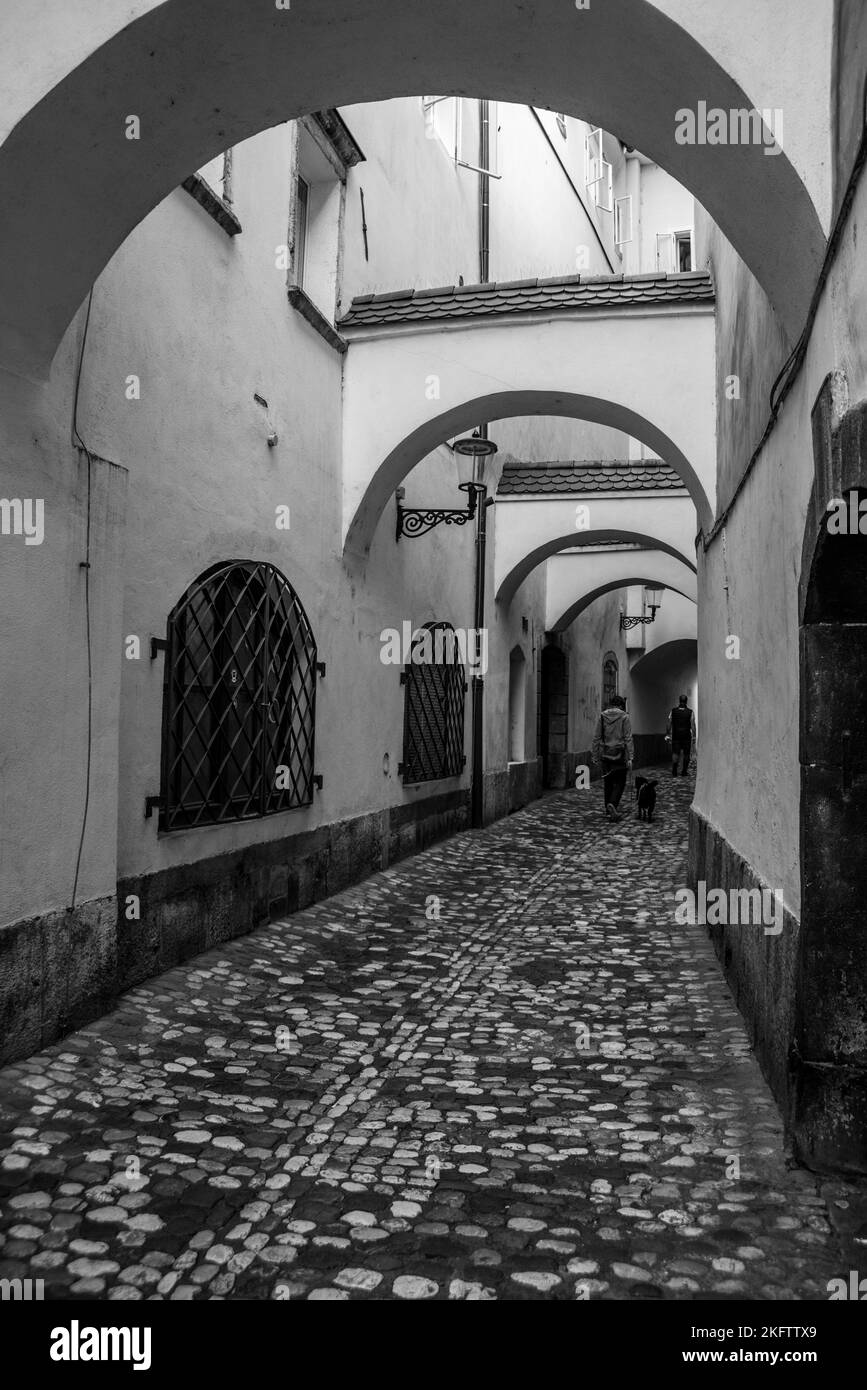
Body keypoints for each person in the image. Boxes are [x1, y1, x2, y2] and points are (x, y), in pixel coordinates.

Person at [592, 693, 634, 821]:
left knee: (608, 782)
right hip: (620, 754)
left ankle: (607, 810)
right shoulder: (624, 717)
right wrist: (631, 756)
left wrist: (594, 755)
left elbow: (596, 738)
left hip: (605, 754)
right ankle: (613, 803)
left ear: (611, 704)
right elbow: (628, 738)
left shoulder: (602, 716)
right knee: (620, 782)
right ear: (621, 705)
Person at [667, 694, 696, 776]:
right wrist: (694, 736)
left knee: (675, 753)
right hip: (686, 735)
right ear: (686, 701)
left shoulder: (673, 711)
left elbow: (669, 723)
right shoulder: (690, 712)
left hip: (676, 735)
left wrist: (668, 734)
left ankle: (674, 770)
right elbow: (693, 725)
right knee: (686, 754)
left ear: (679, 701)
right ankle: (684, 771)